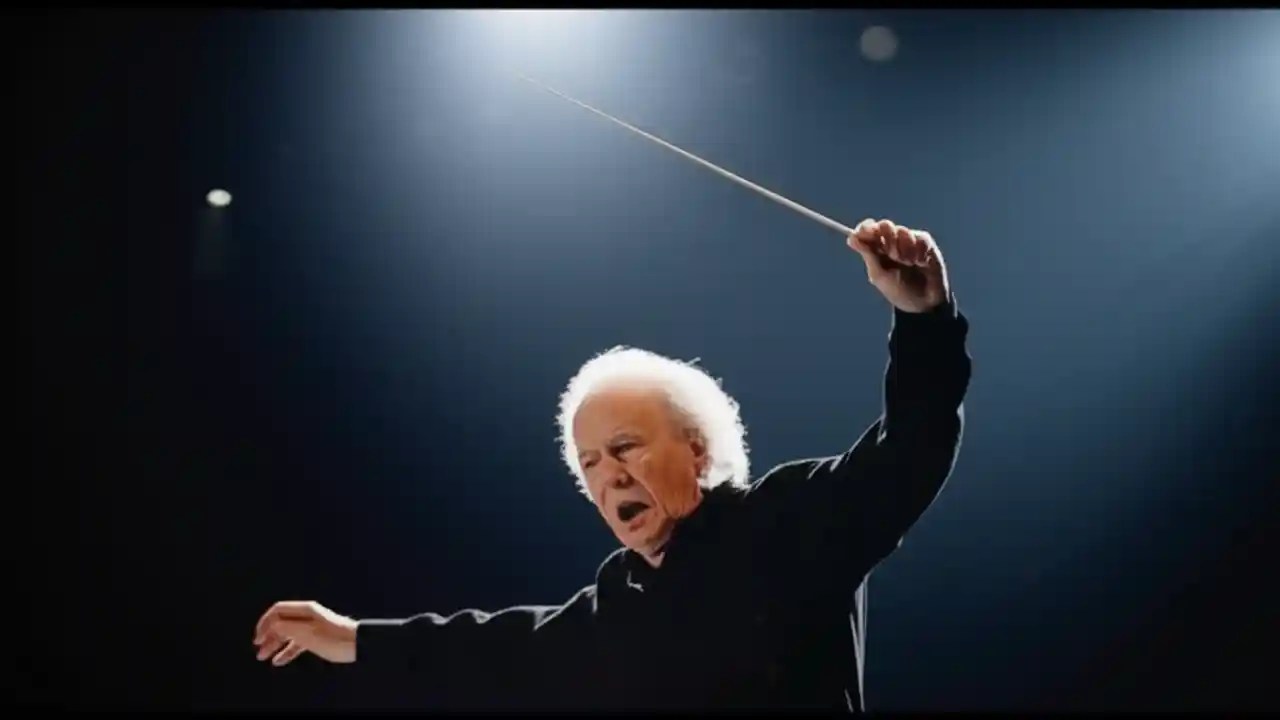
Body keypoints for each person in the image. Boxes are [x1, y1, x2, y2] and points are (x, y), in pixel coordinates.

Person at [252, 217, 973, 711]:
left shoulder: (788, 524)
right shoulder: (612, 609)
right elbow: (482, 649)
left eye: (626, 447)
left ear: (697, 449)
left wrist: (923, 320)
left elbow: (909, 448)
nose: (608, 476)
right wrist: (350, 637)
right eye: (589, 463)